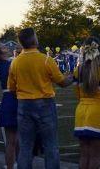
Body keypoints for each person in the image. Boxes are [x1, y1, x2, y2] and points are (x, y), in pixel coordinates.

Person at [8, 27, 73, 169]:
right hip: (45, 104)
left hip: (24, 105)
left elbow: (12, 89)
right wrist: (73, 77)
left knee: (25, 147)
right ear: (34, 40)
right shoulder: (46, 60)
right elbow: (62, 82)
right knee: (51, 146)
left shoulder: (15, 62)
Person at [73, 37, 100, 169]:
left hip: (81, 113)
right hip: (98, 113)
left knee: (84, 155)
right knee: (95, 156)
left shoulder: (78, 71)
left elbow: (78, 95)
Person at [0, 41, 18, 169]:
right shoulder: (7, 65)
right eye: (2, 47)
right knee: (13, 141)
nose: (6, 47)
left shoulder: (4, 64)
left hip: (9, 100)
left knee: (13, 140)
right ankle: (11, 165)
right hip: (13, 100)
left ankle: (11, 165)